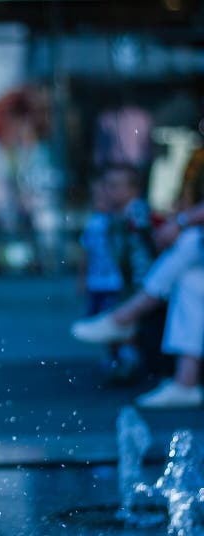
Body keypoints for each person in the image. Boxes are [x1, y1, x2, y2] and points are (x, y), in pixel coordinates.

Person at [72, 152, 204, 408]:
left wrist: (181, 221)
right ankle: (185, 383)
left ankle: (125, 317)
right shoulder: (106, 218)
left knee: (191, 242)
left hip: (139, 279)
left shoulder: (137, 214)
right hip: (129, 280)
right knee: (190, 281)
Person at [78, 178, 130, 378]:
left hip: (114, 282)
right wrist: (82, 278)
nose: (99, 200)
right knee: (99, 318)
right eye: (96, 197)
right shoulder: (92, 223)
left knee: (113, 320)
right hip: (96, 282)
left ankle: (124, 356)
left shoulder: (117, 220)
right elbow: (86, 252)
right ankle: (113, 356)